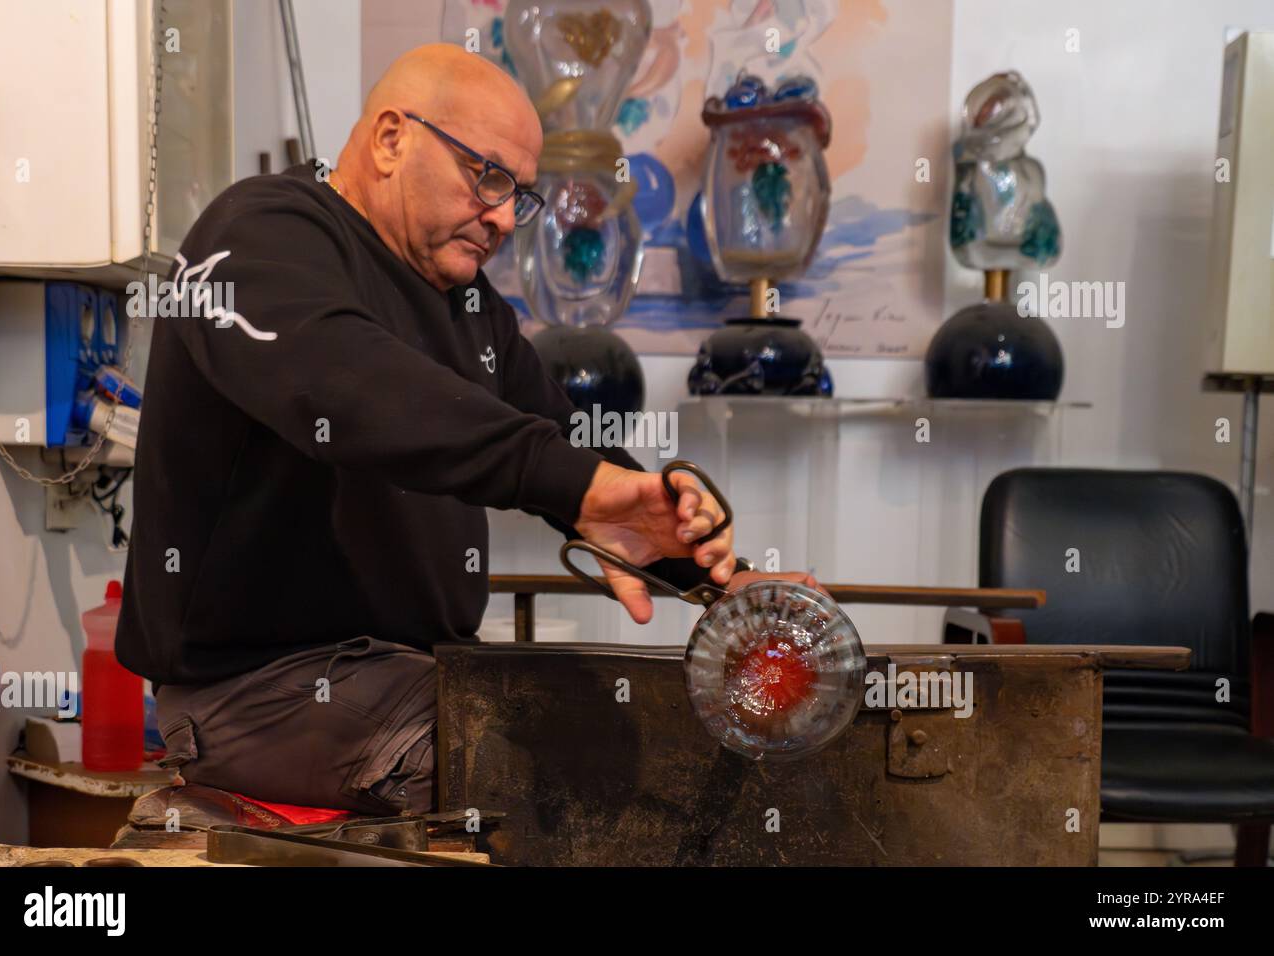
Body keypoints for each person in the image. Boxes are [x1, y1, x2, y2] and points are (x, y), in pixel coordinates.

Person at [116, 44, 818, 813]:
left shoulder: (468, 306)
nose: (506, 217)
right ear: (391, 139)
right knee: (575, 774)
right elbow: (354, 390)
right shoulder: (255, 236)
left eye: (520, 194)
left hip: (414, 668)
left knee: (647, 731)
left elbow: (557, 437)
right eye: (487, 177)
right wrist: (576, 484)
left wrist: (718, 578)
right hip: (258, 691)